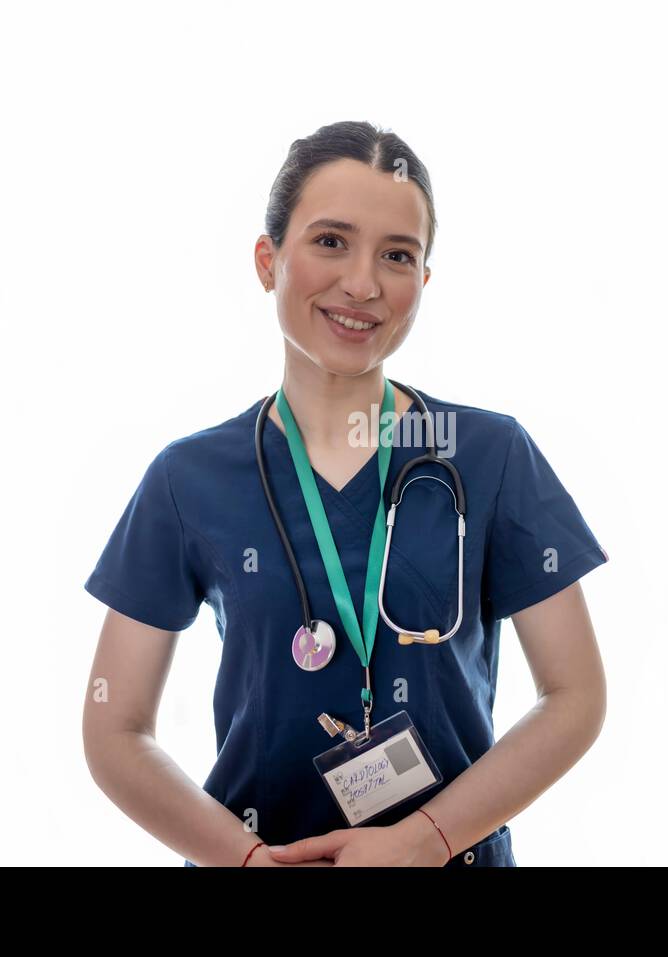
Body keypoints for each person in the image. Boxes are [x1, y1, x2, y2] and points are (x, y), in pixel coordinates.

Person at [82, 120, 610, 867]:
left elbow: (575, 695)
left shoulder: (490, 456)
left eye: (397, 255)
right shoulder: (188, 479)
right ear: (268, 261)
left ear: (423, 282)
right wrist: (242, 859)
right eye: (331, 241)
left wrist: (423, 842)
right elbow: (115, 727)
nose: (363, 283)